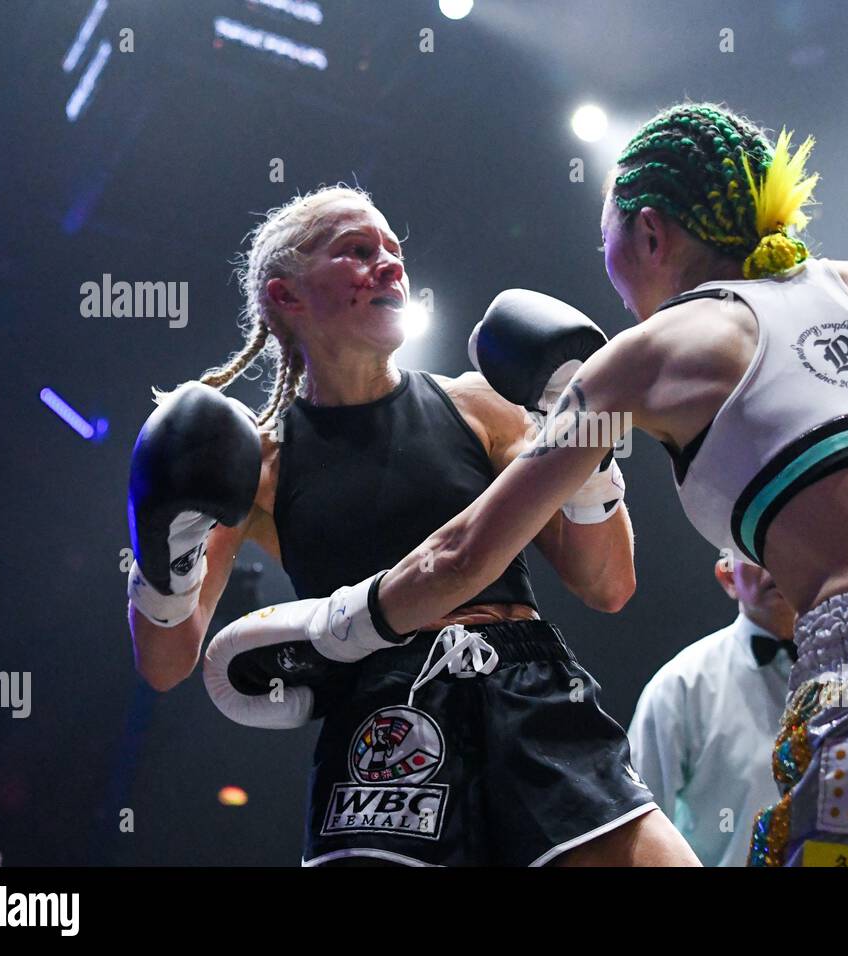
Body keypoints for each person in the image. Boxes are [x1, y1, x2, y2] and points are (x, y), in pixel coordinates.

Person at [211, 103, 848, 867]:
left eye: (607, 242)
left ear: (647, 233)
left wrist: (331, 627)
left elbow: (465, 551)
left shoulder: (640, 359)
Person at [126, 184, 697, 867]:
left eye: (393, 249)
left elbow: (606, 583)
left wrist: (588, 448)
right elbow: (166, 664)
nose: (391, 263)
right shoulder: (260, 464)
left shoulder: (481, 406)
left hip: (530, 689)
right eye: (357, 250)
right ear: (286, 295)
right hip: (382, 718)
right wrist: (166, 548)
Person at [627, 557, 796, 866]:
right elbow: (637, 823)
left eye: (786, 549)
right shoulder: (681, 684)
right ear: (728, 577)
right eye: (755, 551)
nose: (775, 561)